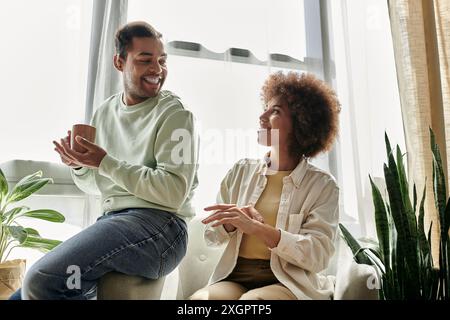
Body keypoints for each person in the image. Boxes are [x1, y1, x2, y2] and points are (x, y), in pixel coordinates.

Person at [10, 21, 199, 300]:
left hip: (162, 229)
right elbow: (97, 184)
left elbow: (173, 193)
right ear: (119, 62)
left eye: (161, 60)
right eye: (145, 60)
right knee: (24, 294)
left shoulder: (175, 115)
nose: (157, 69)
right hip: (114, 221)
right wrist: (79, 164)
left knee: (40, 280)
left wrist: (105, 162)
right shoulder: (105, 111)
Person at [190, 71, 341, 300]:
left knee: (253, 304)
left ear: (302, 123)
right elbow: (211, 237)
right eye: (266, 107)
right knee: (200, 302)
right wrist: (231, 223)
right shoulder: (241, 171)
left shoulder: (322, 186)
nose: (262, 116)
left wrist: (258, 229)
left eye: (275, 111)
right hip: (235, 276)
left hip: (287, 282)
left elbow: (318, 255)